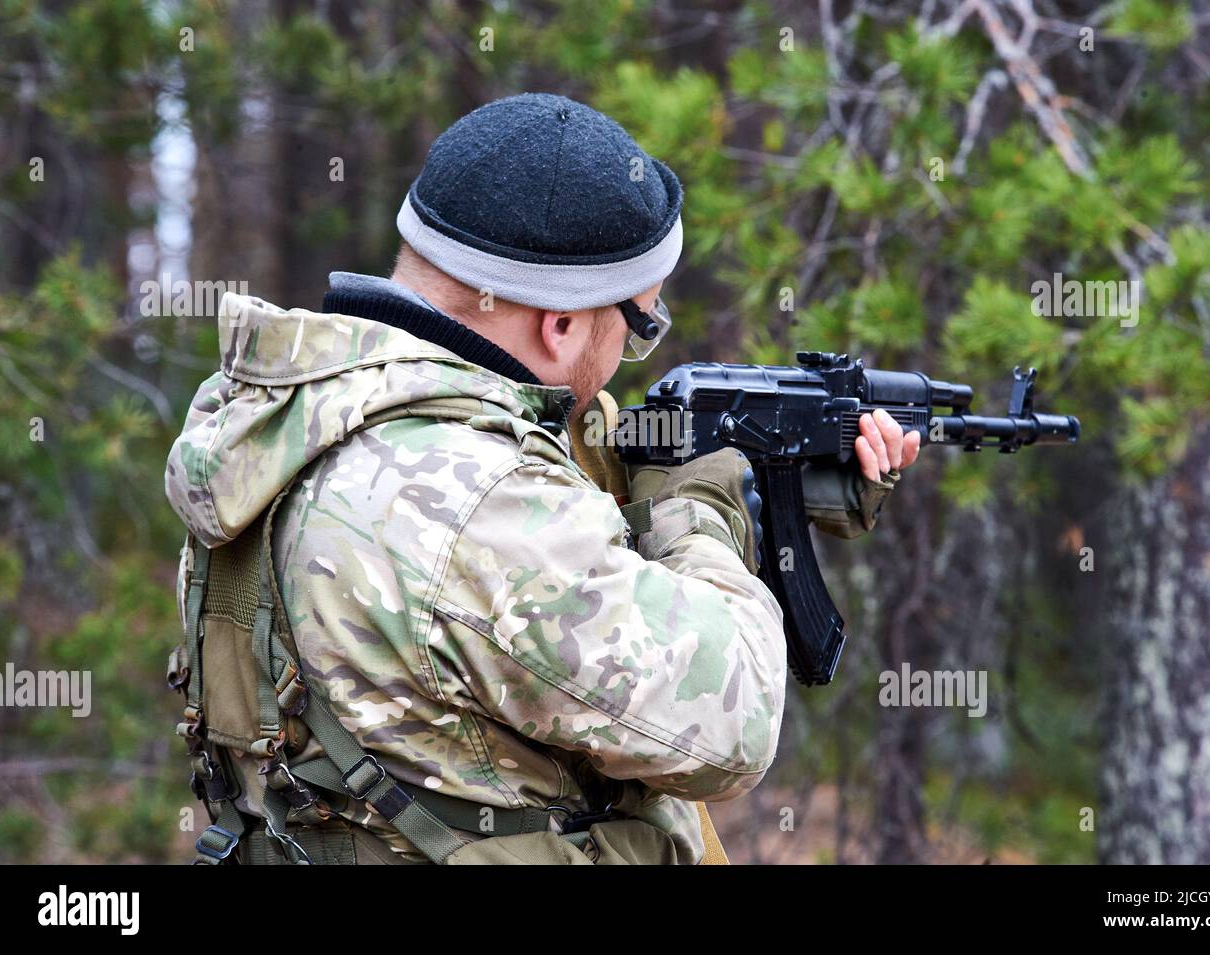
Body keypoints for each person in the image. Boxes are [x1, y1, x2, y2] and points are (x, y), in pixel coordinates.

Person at [164, 92, 918, 865]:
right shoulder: (477, 506)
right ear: (558, 324)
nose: (633, 353)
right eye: (638, 328)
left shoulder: (281, 421)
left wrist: (783, 486)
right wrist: (697, 515)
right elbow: (732, 726)